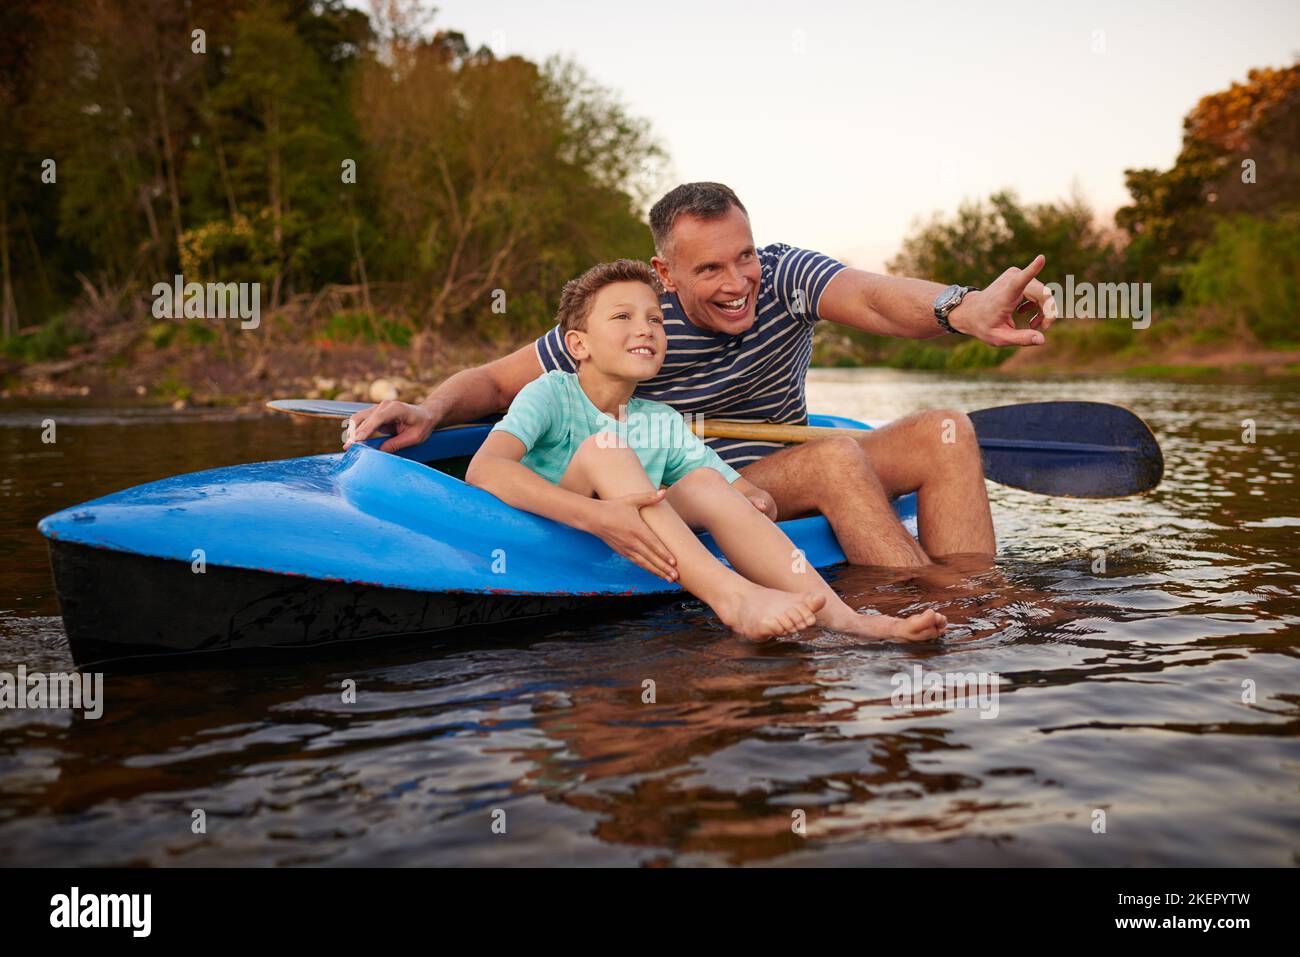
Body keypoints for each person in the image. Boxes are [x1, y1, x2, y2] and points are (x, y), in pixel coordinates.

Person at [347, 182, 1058, 574]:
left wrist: (959, 307)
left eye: (742, 256)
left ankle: (975, 606)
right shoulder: (632, 324)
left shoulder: (783, 274)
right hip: (706, 486)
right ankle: (915, 604)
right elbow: (500, 384)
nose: (738, 282)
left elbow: (875, 297)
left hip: (787, 464)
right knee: (840, 459)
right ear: (665, 273)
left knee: (948, 432)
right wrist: (432, 408)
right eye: (710, 268)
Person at [464, 258, 947, 642]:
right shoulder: (551, 393)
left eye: (655, 318)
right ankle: (734, 598)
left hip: (634, 536)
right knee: (606, 446)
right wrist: (595, 516)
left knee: (705, 482)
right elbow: (485, 470)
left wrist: (754, 502)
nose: (645, 328)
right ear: (578, 344)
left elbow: (735, 489)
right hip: (558, 530)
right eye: (622, 317)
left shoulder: (661, 421)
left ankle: (847, 620)